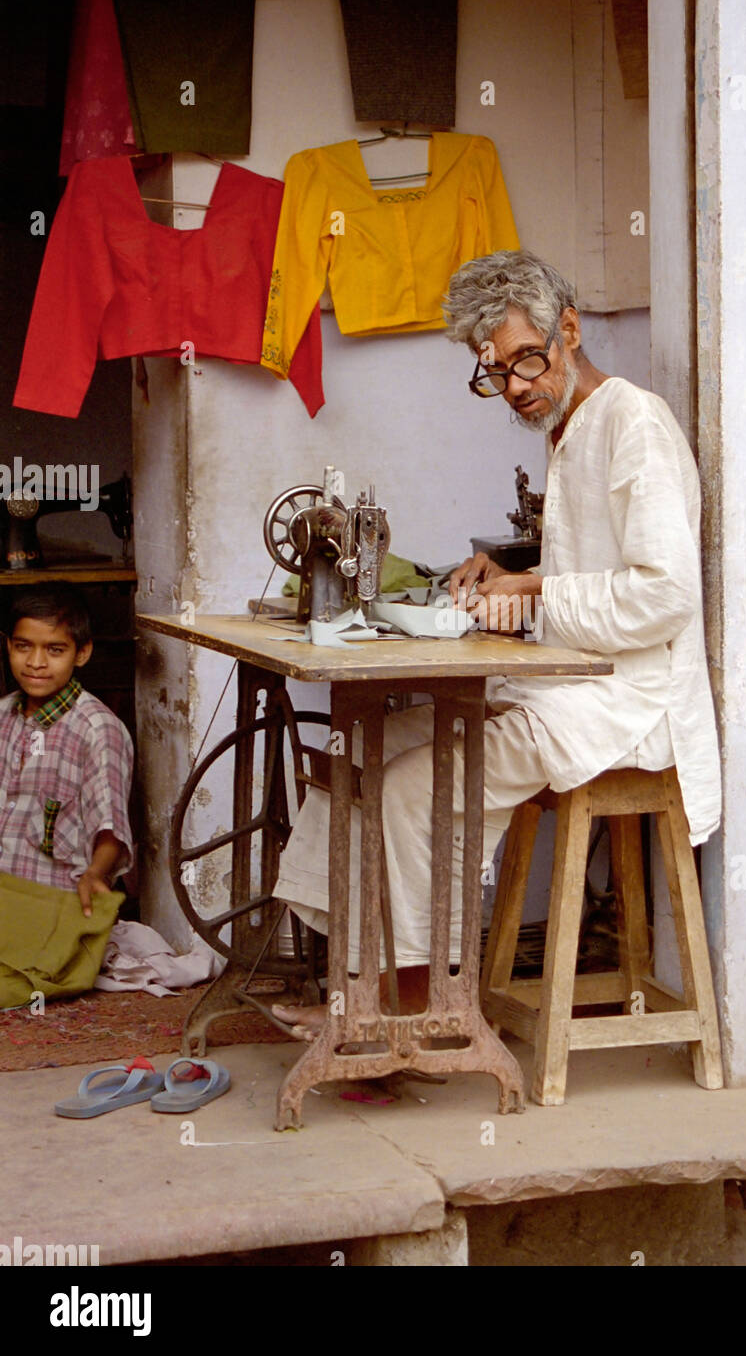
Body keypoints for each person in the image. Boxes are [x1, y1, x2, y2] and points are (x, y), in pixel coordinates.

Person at [272, 249, 721, 1038]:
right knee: (357, 748)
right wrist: (512, 567)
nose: (515, 386)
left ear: (571, 330)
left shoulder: (633, 424)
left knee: (415, 790)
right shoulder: (570, 430)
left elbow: (664, 595)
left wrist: (539, 590)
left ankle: (414, 1015)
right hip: (567, 684)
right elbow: (598, 565)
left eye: (526, 361)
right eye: (496, 372)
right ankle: (358, 981)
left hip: (626, 702)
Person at [0, 587, 134, 1007]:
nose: (36, 662)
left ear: (82, 653)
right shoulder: (2, 715)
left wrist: (97, 873)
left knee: (25, 978)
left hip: (51, 898)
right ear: (8, 646)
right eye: (23, 647)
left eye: (54, 650)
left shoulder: (97, 730)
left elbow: (108, 816)